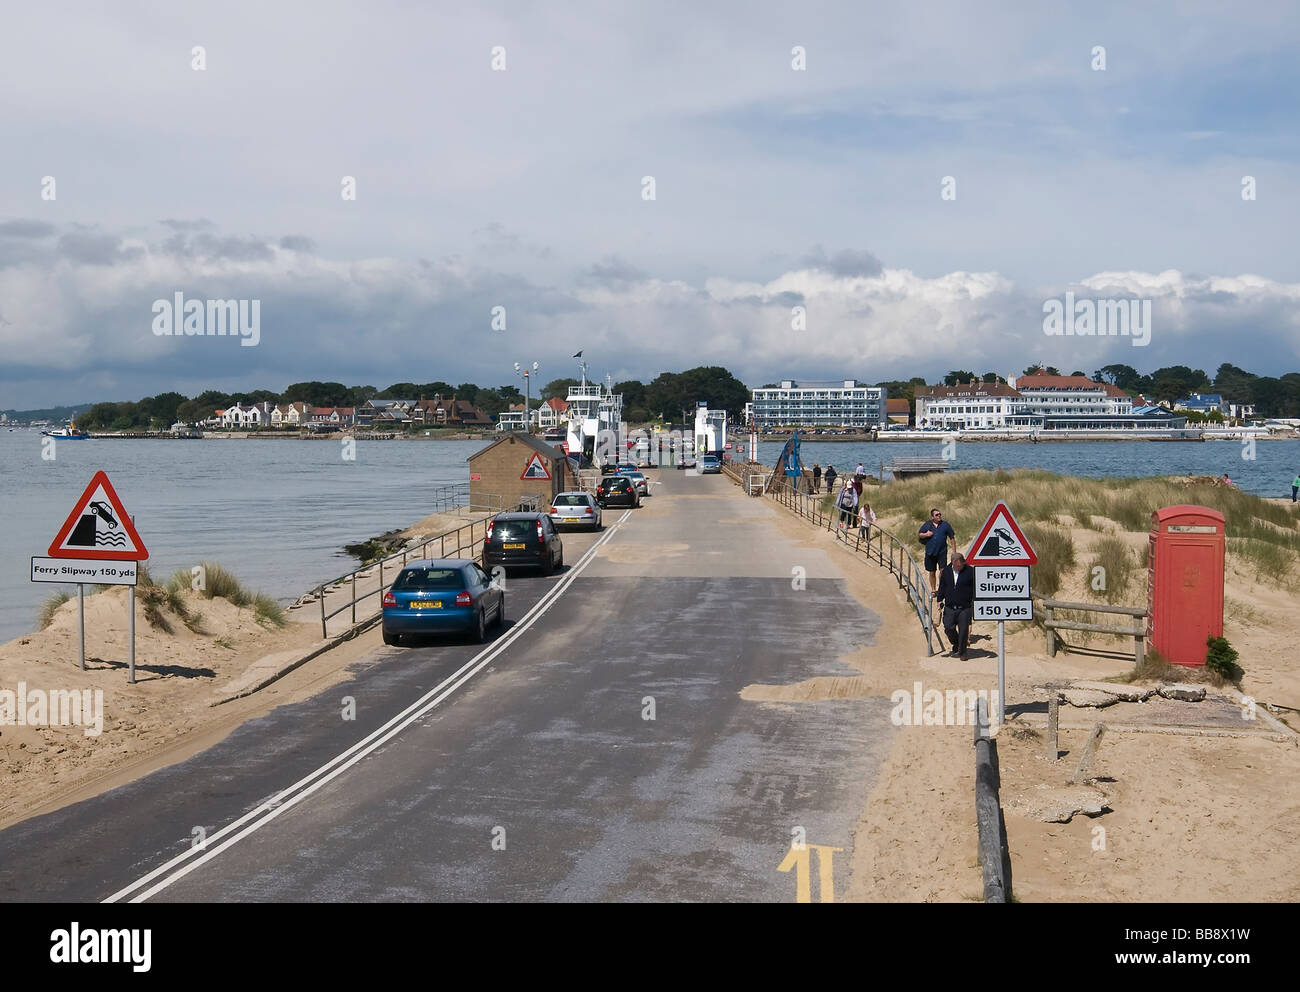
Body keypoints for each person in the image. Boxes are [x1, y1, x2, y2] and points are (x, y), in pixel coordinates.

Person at [936, 552, 975, 659]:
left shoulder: (970, 571)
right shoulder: (946, 572)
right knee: (948, 628)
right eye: (957, 565)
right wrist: (939, 600)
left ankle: (963, 652)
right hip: (950, 606)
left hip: (964, 607)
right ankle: (956, 644)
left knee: (963, 631)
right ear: (952, 563)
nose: (959, 567)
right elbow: (942, 586)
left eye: (961, 565)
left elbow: (976, 587)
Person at [918, 507, 957, 595]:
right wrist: (926, 534)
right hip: (930, 552)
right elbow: (920, 534)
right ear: (932, 517)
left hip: (942, 552)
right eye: (937, 515)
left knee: (942, 571)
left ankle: (941, 588)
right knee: (932, 572)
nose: (939, 516)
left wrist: (954, 551)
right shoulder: (927, 525)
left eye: (940, 514)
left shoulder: (945, 525)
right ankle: (933, 589)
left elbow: (952, 537)